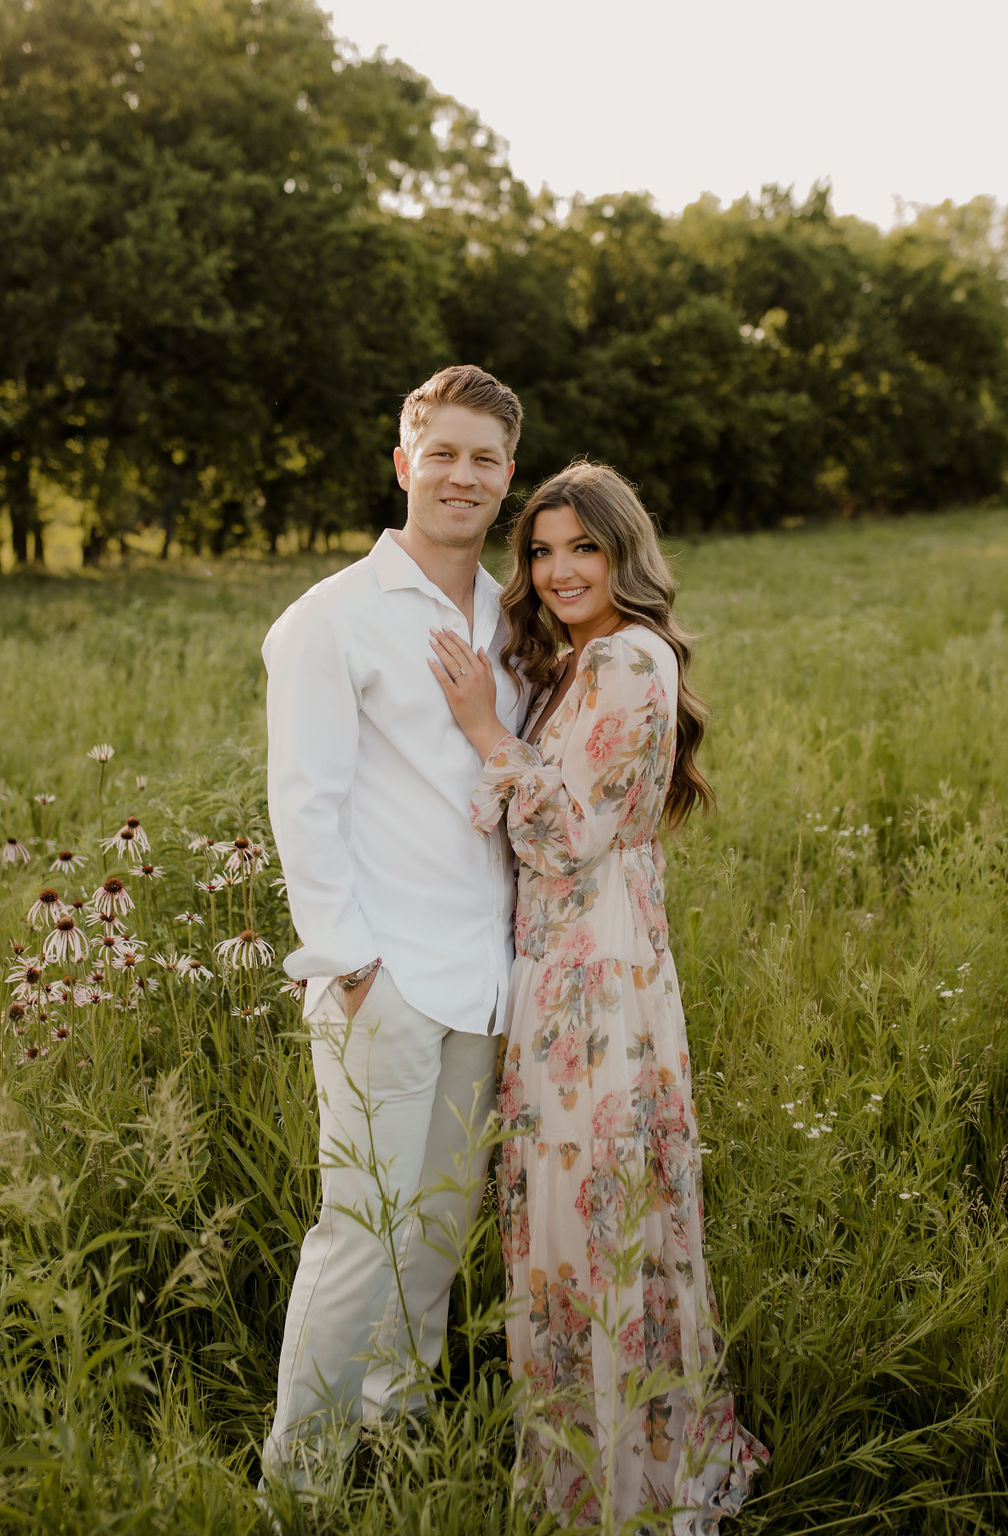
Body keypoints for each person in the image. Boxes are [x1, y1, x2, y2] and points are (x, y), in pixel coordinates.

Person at [429, 462, 769, 1531]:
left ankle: (623, 1481)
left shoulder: (625, 658)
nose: (560, 569)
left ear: (624, 555)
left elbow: (564, 833)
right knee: (586, 1209)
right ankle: (600, 1452)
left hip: (596, 983)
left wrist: (488, 729)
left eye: (584, 548)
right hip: (573, 967)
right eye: (541, 550)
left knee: (595, 1214)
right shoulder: (580, 663)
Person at [260, 364, 524, 1487]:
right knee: (359, 1234)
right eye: (445, 452)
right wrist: (351, 964)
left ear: (508, 478)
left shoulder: (511, 617)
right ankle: (300, 1477)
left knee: (438, 1229)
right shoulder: (332, 618)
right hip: (386, 974)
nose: (463, 475)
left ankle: (395, 1422)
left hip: (489, 970)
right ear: (403, 460)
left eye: (486, 458)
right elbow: (303, 803)